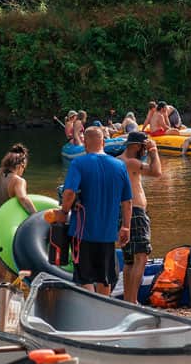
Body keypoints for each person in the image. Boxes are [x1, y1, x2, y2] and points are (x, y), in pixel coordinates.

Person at [53, 127, 132, 296]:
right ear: (103, 142)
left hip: (82, 232)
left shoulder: (79, 163)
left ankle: (90, 310)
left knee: (85, 278)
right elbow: (127, 201)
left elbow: (69, 192)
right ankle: (103, 312)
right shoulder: (120, 166)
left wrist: (64, 211)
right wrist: (126, 226)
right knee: (105, 278)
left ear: (85, 144)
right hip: (108, 233)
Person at [0, 144, 39, 283]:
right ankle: (12, 303)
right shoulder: (18, 181)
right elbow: (23, 198)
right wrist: (37, 217)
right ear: (21, 165)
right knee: (16, 273)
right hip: (6, 233)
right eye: (24, 167)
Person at [120, 132, 161, 303]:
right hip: (136, 212)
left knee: (129, 261)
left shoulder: (117, 161)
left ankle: (129, 300)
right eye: (143, 147)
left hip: (122, 213)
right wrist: (154, 151)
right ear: (136, 146)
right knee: (141, 257)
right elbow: (156, 172)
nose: (144, 151)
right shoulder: (131, 162)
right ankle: (133, 300)